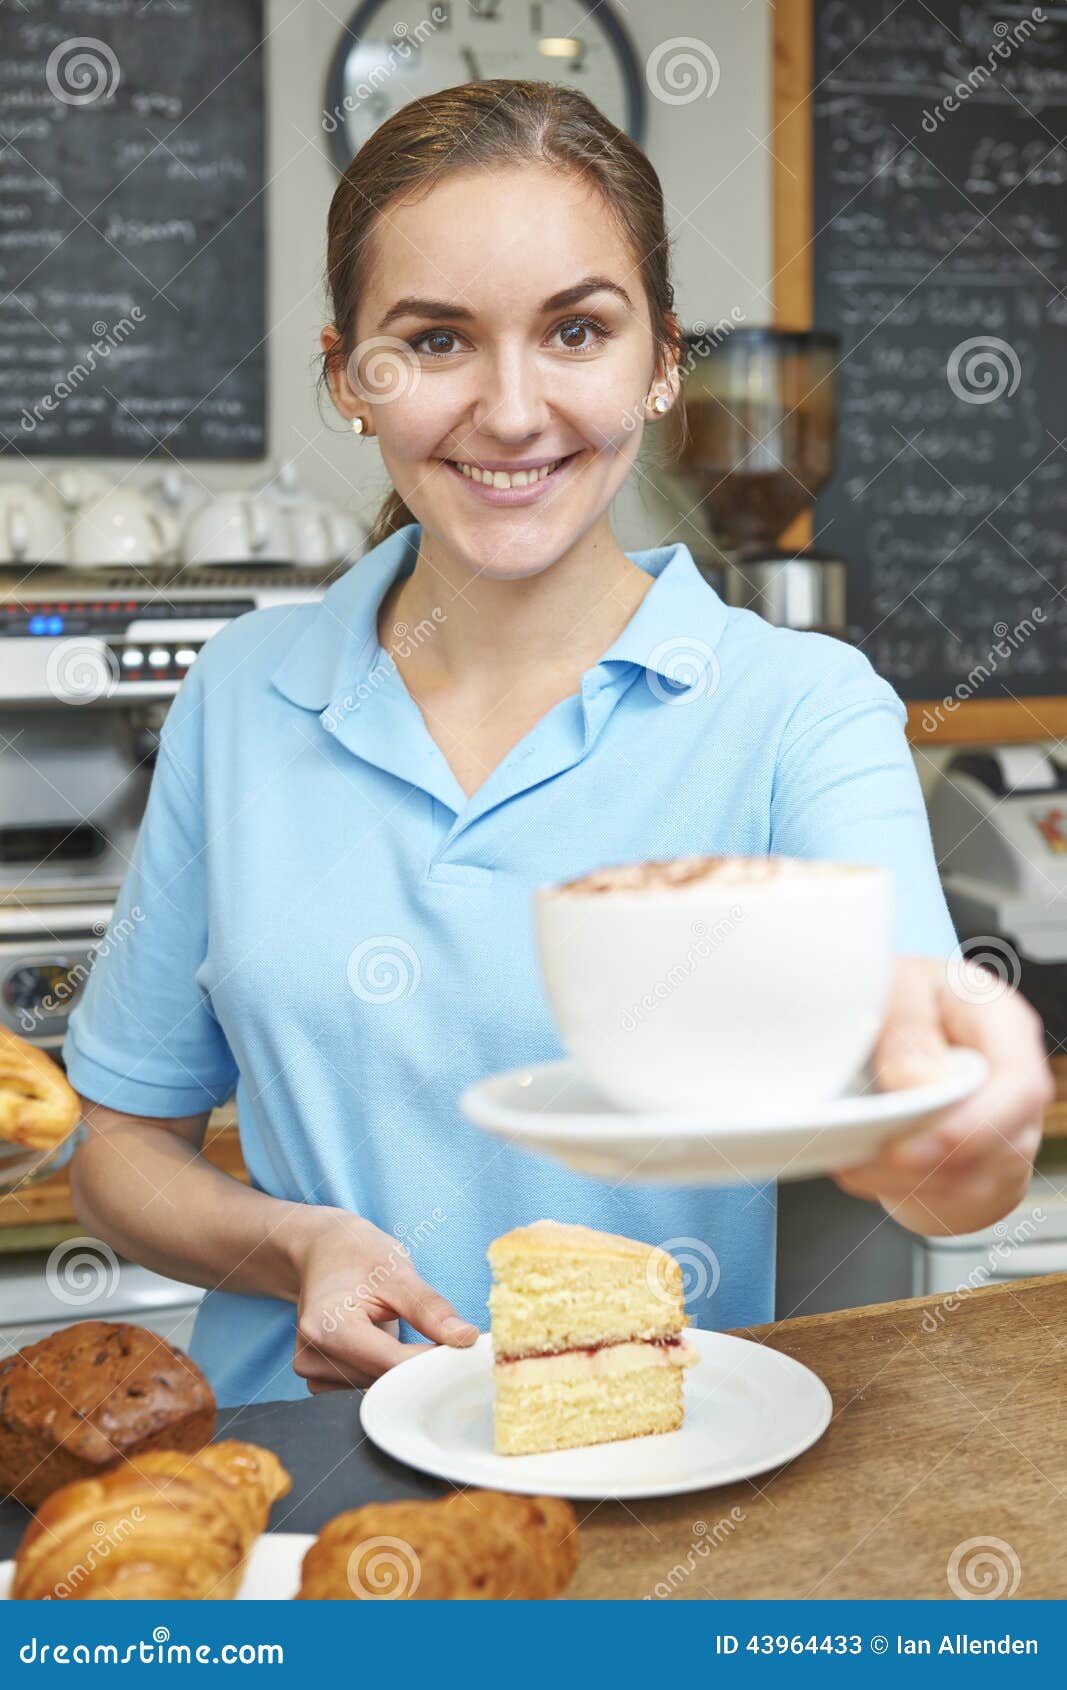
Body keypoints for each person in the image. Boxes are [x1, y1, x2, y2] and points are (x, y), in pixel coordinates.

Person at [64, 81, 1052, 1408]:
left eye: (576, 329)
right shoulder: (240, 696)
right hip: (300, 1478)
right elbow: (120, 1144)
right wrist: (293, 1240)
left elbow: (939, 1119)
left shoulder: (802, 711)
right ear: (352, 377)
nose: (514, 410)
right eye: (436, 340)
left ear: (660, 364)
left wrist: (972, 1129)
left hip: (667, 1470)